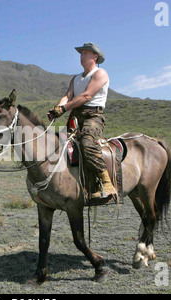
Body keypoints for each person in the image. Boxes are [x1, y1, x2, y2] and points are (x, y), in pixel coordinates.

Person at [47, 42, 118, 200]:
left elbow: (86, 96)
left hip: (93, 116)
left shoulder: (100, 73)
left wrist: (64, 109)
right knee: (59, 144)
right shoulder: (76, 78)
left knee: (87, 143)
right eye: (81, 53)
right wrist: (57, 108)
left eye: (86, 53)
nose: (82, 55)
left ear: (95, 56)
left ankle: (107, 183)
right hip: (76, 116)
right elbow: (67, 96)